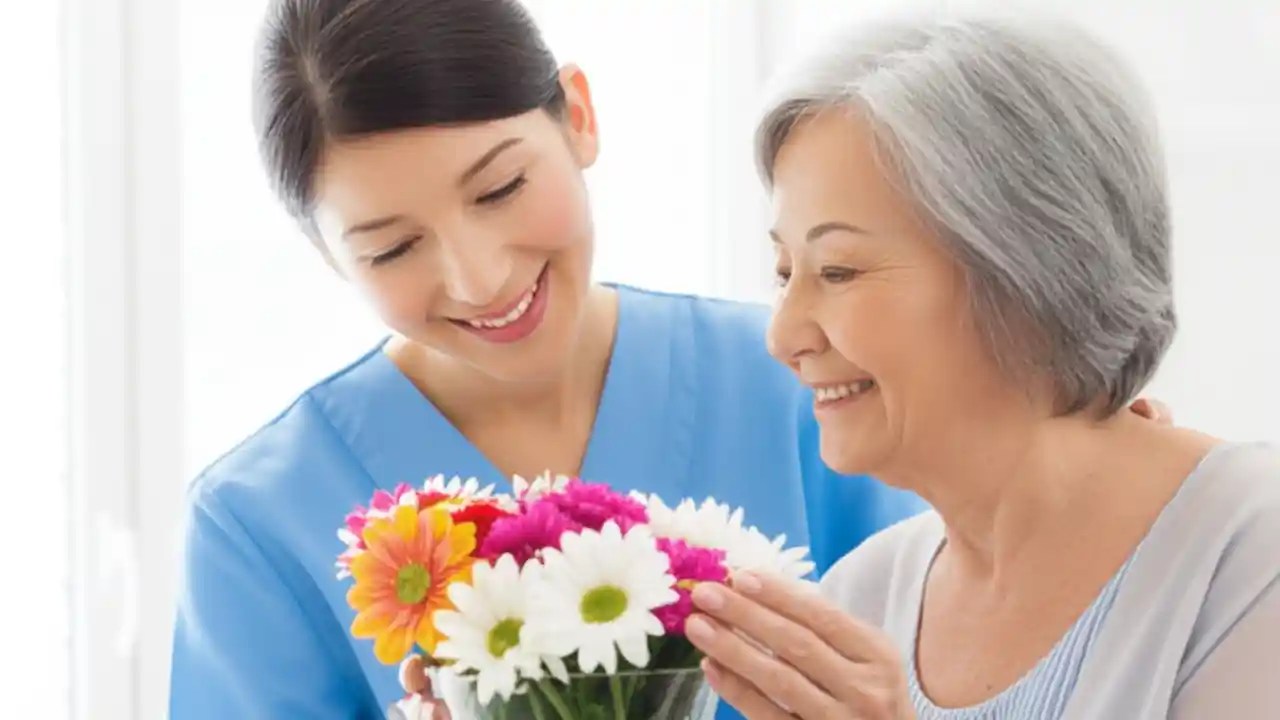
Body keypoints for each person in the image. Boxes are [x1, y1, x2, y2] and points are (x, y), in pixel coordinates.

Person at [167, 1, 932, 718]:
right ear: (329, 256)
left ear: (578, 117)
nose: (479, 278)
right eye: (393, 248)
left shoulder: (804, 385)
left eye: (500, 189)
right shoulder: (258, 522)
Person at [684, 13, 1280, 720]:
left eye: (838, 270)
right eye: (786, 271)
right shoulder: (861, 598)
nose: (782, 336)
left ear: (1029, 273)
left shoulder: (1249, 555)